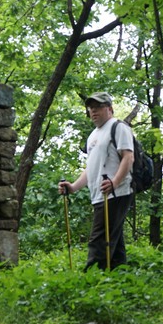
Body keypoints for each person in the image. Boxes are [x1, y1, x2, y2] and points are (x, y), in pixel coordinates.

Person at [58, 92, 135, 270]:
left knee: (99, 240)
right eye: (91, 108)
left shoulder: (118, 127)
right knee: (114, 243)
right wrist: (73, 187)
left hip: (116, 192)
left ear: (109, 108)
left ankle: (91, 280)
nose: (93, 111)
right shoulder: (93, 135)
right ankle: (119, 277)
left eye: (98, 107)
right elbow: (92, 168)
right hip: (100, 195)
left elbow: (128, 157)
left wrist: (114, 183)